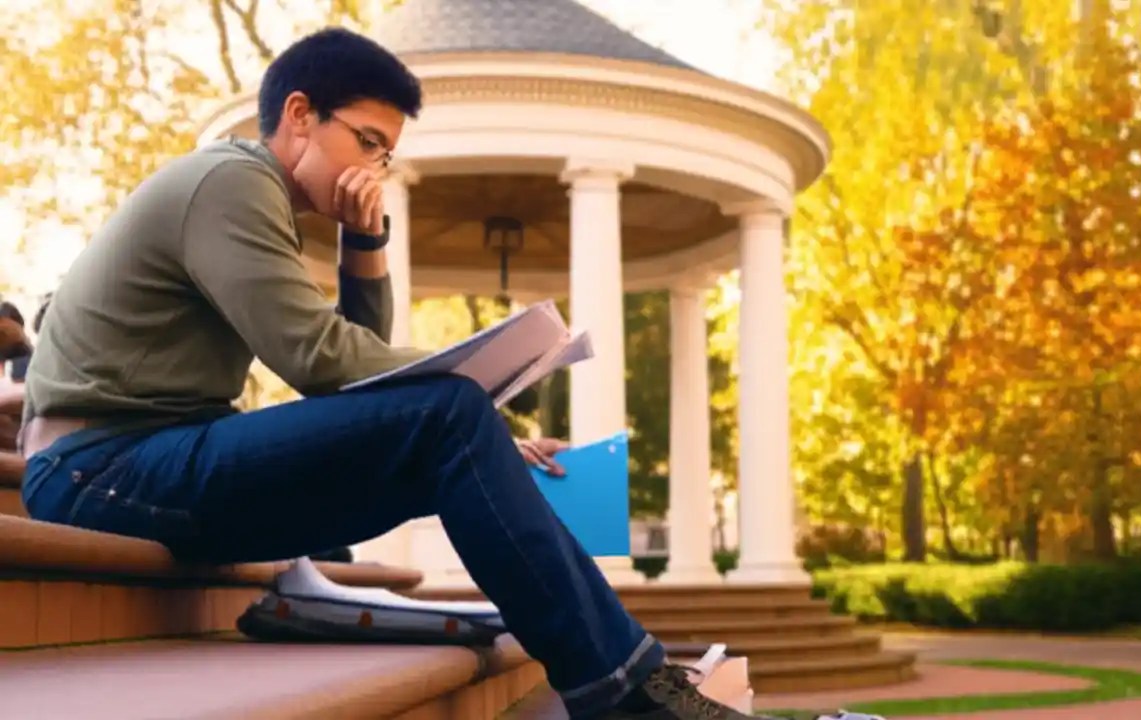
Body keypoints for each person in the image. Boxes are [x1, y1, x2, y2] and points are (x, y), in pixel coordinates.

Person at [17, 28, 781, 720]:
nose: (376, 167)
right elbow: (323, 363)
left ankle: (634, 681)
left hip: (158, 459)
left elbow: (358, 384)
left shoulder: (259, 199)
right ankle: (625, 695)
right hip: (93, 467)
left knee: (451, 426)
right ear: (300, 114)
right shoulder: (229, 183)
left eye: (387, 155)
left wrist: (369, 249)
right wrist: (473, 392)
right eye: (369, 141)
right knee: (449, 414)